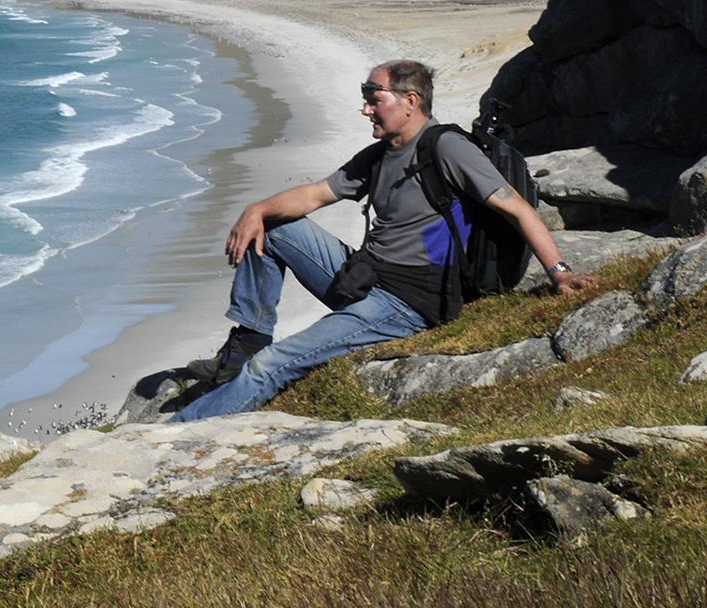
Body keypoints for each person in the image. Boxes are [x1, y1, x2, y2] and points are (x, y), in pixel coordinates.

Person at [170, 59, 593, 422]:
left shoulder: (447, 148)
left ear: (410, 102)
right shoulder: (380, 153)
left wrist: (559, 273)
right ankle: (250, 337)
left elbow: (518, 208)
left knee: (272, 367)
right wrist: (256, 209)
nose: (365, 108)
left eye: (375, 98)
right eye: (366, 97)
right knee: (275, 226)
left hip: (407, 303)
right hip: (366, 277)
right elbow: (317, 193)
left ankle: (173, 439)